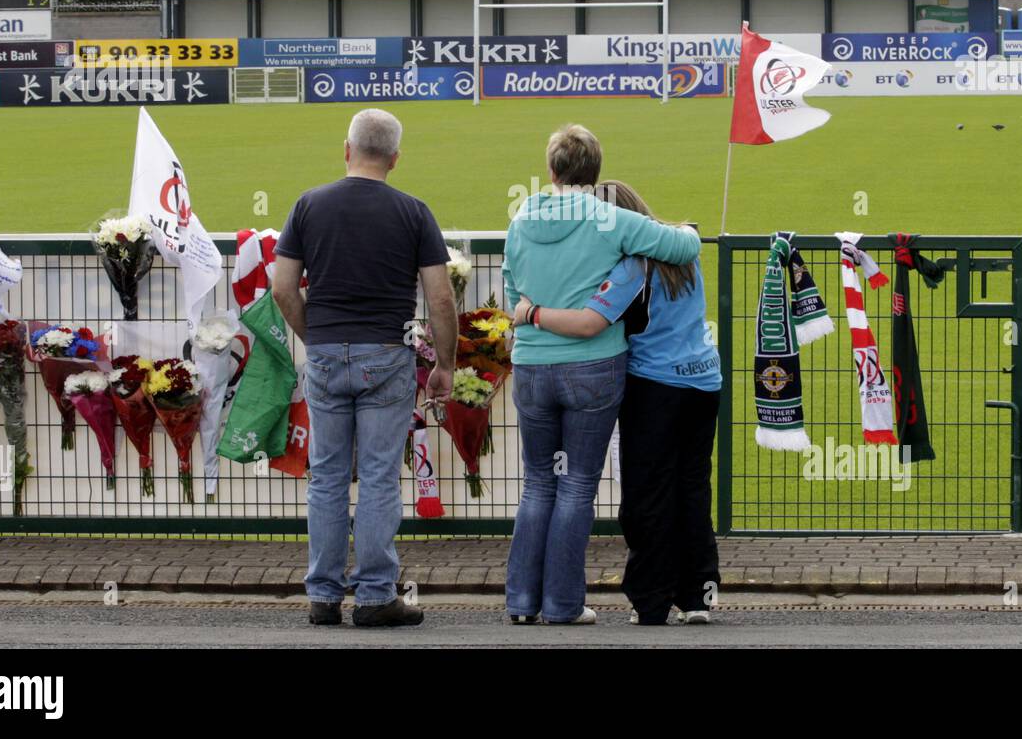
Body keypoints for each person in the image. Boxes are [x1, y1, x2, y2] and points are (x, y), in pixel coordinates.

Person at [502, 126, 701, 625]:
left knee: (537, 483)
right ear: (595, 171)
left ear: (551, 170)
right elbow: (681, 248)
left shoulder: (522, 216)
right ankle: (564, 605)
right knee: (577, 486)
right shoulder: (610, 218)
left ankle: (522, 603)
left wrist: (531, 313)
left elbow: (511, 288)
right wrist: (694, 229)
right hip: (592, 365)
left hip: (531, 364)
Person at [273, 108, 457, 629]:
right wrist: (445, 363)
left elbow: (283, 289)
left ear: (346, 149)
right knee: (378, 477)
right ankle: (376, 595)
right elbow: (440, 299)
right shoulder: (414, 212)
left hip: (328, 353)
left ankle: (323, 596)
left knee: (327, 478)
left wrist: (318, 338)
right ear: (395, 159)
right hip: (387, 355)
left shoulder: (309, 205)